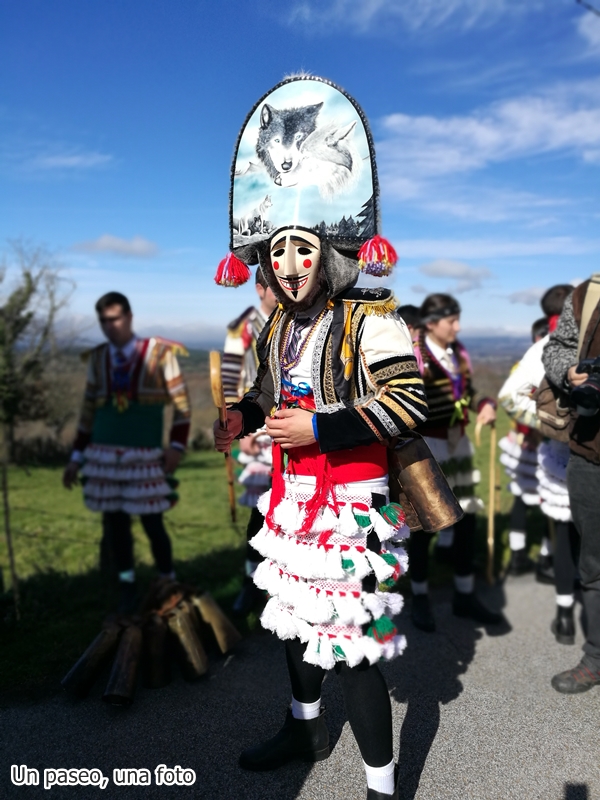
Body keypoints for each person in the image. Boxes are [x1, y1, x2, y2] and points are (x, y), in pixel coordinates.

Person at [214, 75, 431, 800]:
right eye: (277, 253)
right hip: (290, 500)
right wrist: (240, 418)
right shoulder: (277, 324)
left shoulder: (375, 320)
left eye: (301, 250)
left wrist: (318, 425)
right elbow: (263, 394)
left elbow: (408, 405)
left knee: (356, 653)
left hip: (353, 503)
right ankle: (303, 729)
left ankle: (380, 786)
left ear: (328, 254)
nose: (287, 265)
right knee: (291, 624)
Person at [63, 292, 191, 611]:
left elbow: (182, 407)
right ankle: (126, 584)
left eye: (116, 318)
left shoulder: (160, 354)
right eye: (104, 321)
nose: (110, 326)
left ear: (130, 317)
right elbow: (87, 413)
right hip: (103, 457)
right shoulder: (97, 358)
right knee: (116, 524)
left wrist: (175, 447)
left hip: (144, 456)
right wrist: (76, 458)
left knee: (152, 521)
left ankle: (168, 579)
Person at [409, 293, 502, 632]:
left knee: (465, 521)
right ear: (432, 323)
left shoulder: (457, 353)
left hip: (458, 445)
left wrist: (486, 403)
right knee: (425, 525)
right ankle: (419, 596)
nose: (458, 327)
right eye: (452, 321)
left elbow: (469, 391)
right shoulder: (415, 355)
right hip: (426, 448)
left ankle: (464, 594)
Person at [498, 285, 578, 645]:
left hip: (565, 451)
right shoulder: (547, 346)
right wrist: (553, 424)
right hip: (565, 453)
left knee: (567, 535)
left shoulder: (545, 345)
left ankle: (566, 613)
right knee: (566, 533)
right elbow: (508, 398)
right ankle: (566, 612)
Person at [543, 274, 600, 692]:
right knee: (594, 567)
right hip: (590, 451)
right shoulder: (588, 292)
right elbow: (558, 348)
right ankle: (597, 658)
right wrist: (571, 373)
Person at [221, 268, 278, 613]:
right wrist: (238, 429)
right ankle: (251, 584)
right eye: (273, 284)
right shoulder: (242, 328)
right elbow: (229, 383)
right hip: (255, 427)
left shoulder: (294, 320)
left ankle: (290, 584)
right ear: (259, 289)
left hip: (294, 425)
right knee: (260, 513)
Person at [498, 317, 548, 579]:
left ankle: (524, 555)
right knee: (548, 501)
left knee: (524, 498)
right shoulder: (539, 368)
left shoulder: (522, 367)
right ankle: (542, 557)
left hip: (524, 439)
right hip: (539, 441)